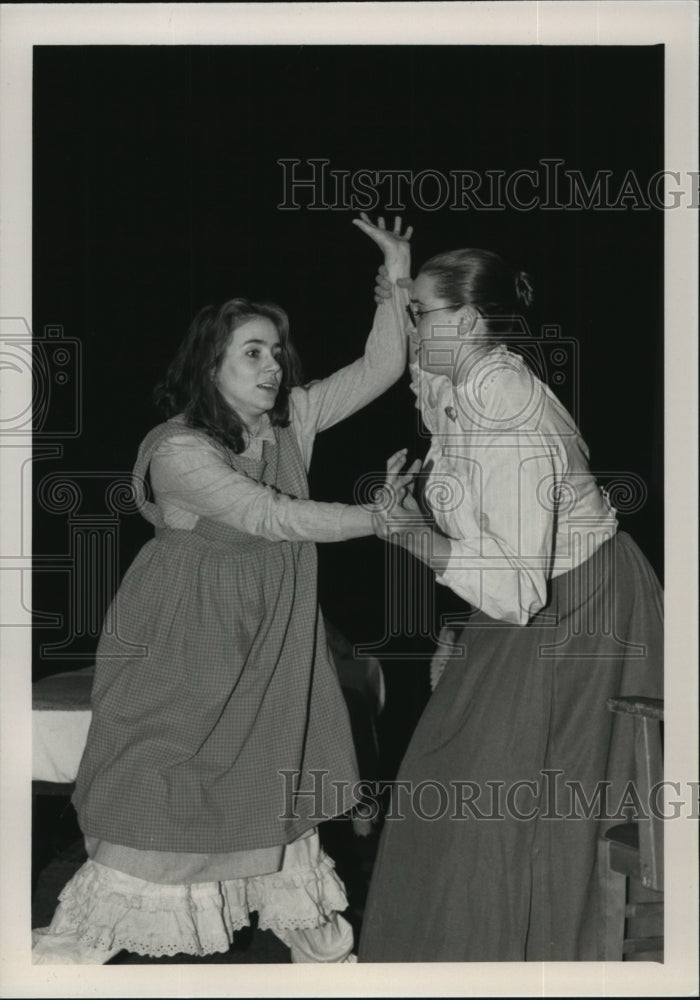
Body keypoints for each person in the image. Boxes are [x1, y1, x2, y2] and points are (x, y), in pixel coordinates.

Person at [31, 215, 414, 965]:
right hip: (187, 649)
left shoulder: (290, 422)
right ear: (211, 366)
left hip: (271, 646)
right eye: (252, 352)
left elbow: (381, 367)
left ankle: (326, 959)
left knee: (279, 795)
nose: (273, 365)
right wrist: (380, 515)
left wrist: (397, 274)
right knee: (161, 794)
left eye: (276, 351)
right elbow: (267, 515)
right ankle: (63, 962)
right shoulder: (178, 450)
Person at [359, 247, 663, 962]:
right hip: (530, 606)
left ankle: (522, 961)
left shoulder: (507, 406)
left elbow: (517, 582)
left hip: (583, 615)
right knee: (457, 787)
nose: (410, 327)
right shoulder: (461, 381)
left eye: (420, 314)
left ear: (466, 321)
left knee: (498, 805)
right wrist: (398, 278)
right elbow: (420, 377)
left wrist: (411, 538)